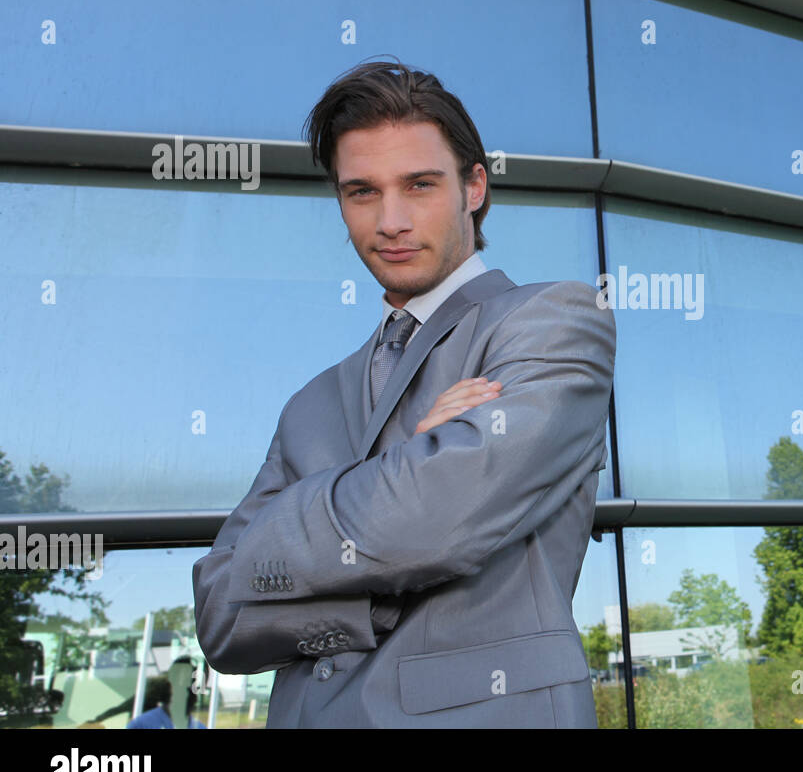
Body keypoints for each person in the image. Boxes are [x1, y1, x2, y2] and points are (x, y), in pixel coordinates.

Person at [192, 59, 616, 727]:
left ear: (473, 186)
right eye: (361, 192)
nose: (390, 220)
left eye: (419, 185)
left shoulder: (553, 320)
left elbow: (435, 523)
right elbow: (220, 617)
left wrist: (284, 537)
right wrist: (404, 481)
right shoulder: (311, 401)